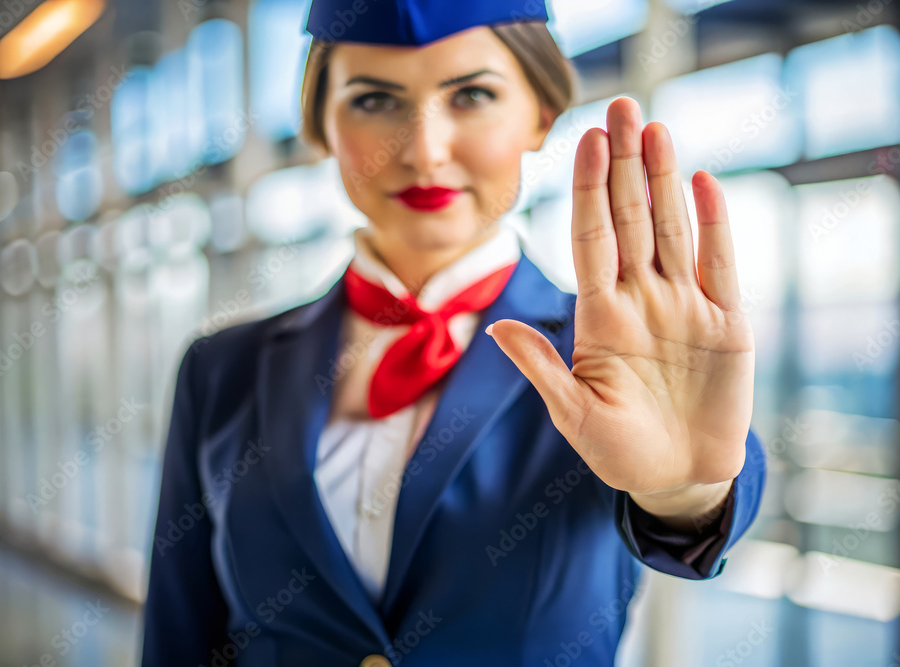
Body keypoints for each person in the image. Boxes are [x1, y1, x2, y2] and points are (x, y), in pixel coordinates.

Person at [140, 1, 767, 665]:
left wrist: (684, 493)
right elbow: (179, 633)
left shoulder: (610, 359)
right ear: (320, 126)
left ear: (542, 114)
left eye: (472, 94)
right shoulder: (220, 368)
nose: (423, 150)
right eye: (374, 99)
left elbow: (700, 493)